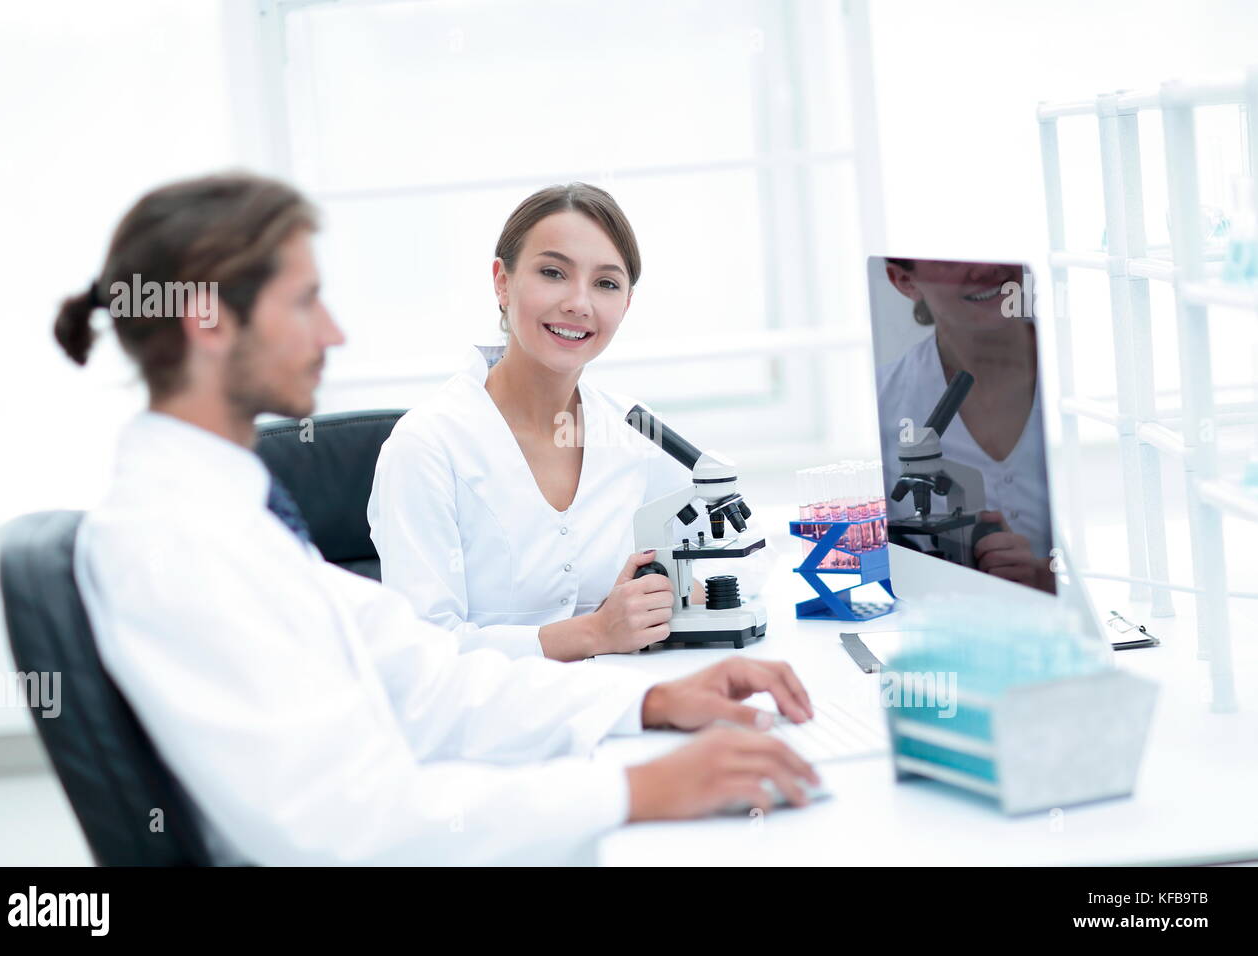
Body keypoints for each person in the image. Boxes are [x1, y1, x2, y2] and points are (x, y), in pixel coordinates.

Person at [55, 172, 818, 866]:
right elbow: (337, 825)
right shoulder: (173, 545)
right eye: (304, 301)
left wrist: (647, 702)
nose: (334, 333)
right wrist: (636, 793)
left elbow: (426, 678)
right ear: (209, 321)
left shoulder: (233, 514)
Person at [369, 183, 770, 661]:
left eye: (605, 283)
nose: (579, 303)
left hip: (629, 706)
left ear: (626, 304)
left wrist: (675, 594)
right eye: (553, 273)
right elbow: (422, 652)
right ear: (502, 281)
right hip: (492, 728)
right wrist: (595, 632)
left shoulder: (634, 431)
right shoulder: (426, 447)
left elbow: (741, 562)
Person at [878, 258, 1055, 593]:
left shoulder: (1091, 381)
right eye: (951, 259)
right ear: (904, 280)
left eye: (996, 247)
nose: (984, 269)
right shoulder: (882, 399)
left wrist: (1046, 577)